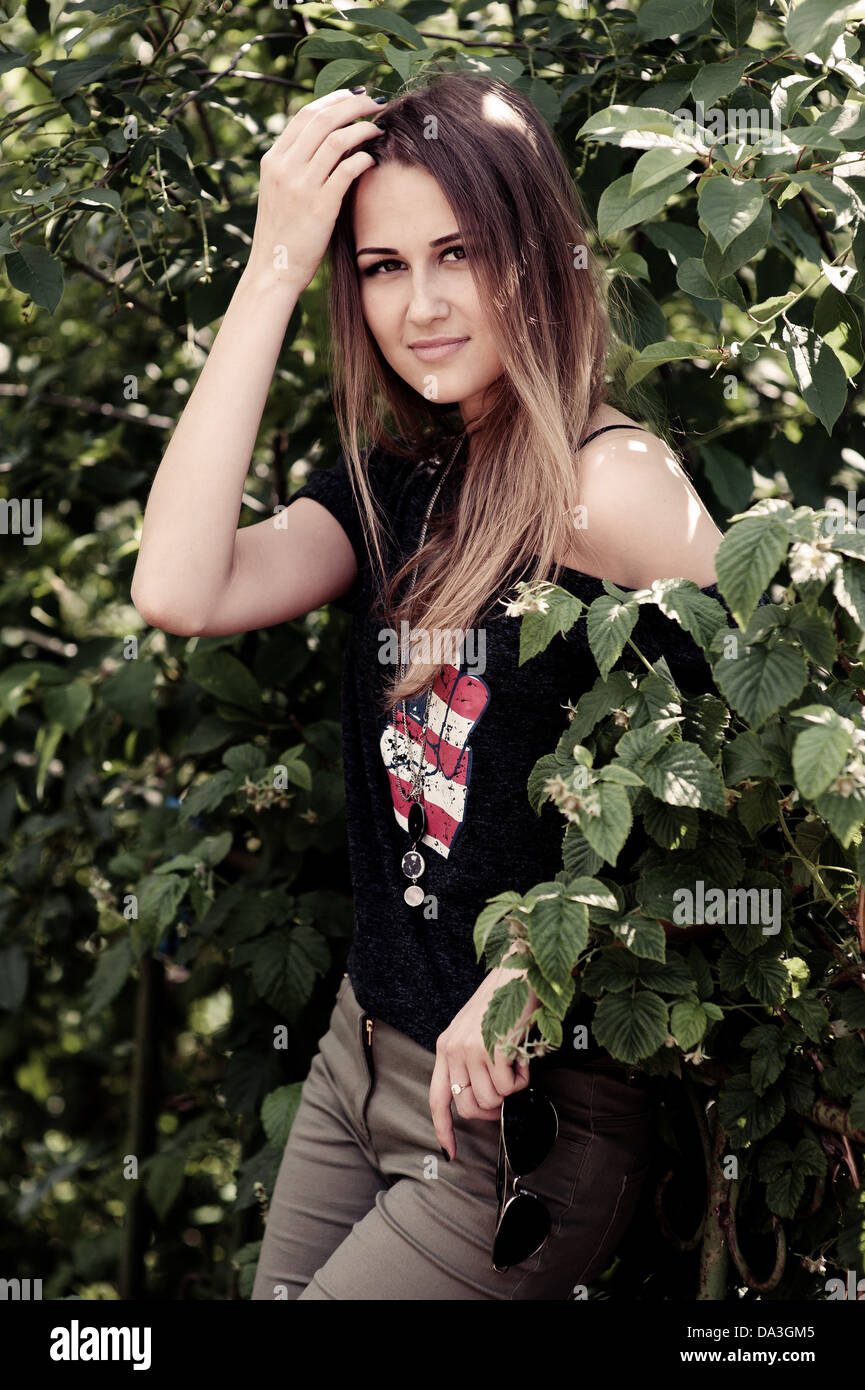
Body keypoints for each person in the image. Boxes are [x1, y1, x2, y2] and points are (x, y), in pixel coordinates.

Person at [131, 72, 730, 1300]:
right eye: (381, 265)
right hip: (361, 1055)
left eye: (458, 252)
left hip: (520, 1122)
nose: (423, 303)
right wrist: (275, 264)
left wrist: (537, 965)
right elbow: (179, 590)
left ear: (537, 250)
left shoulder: (613, 492)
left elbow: (754, 786)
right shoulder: (398, 479)